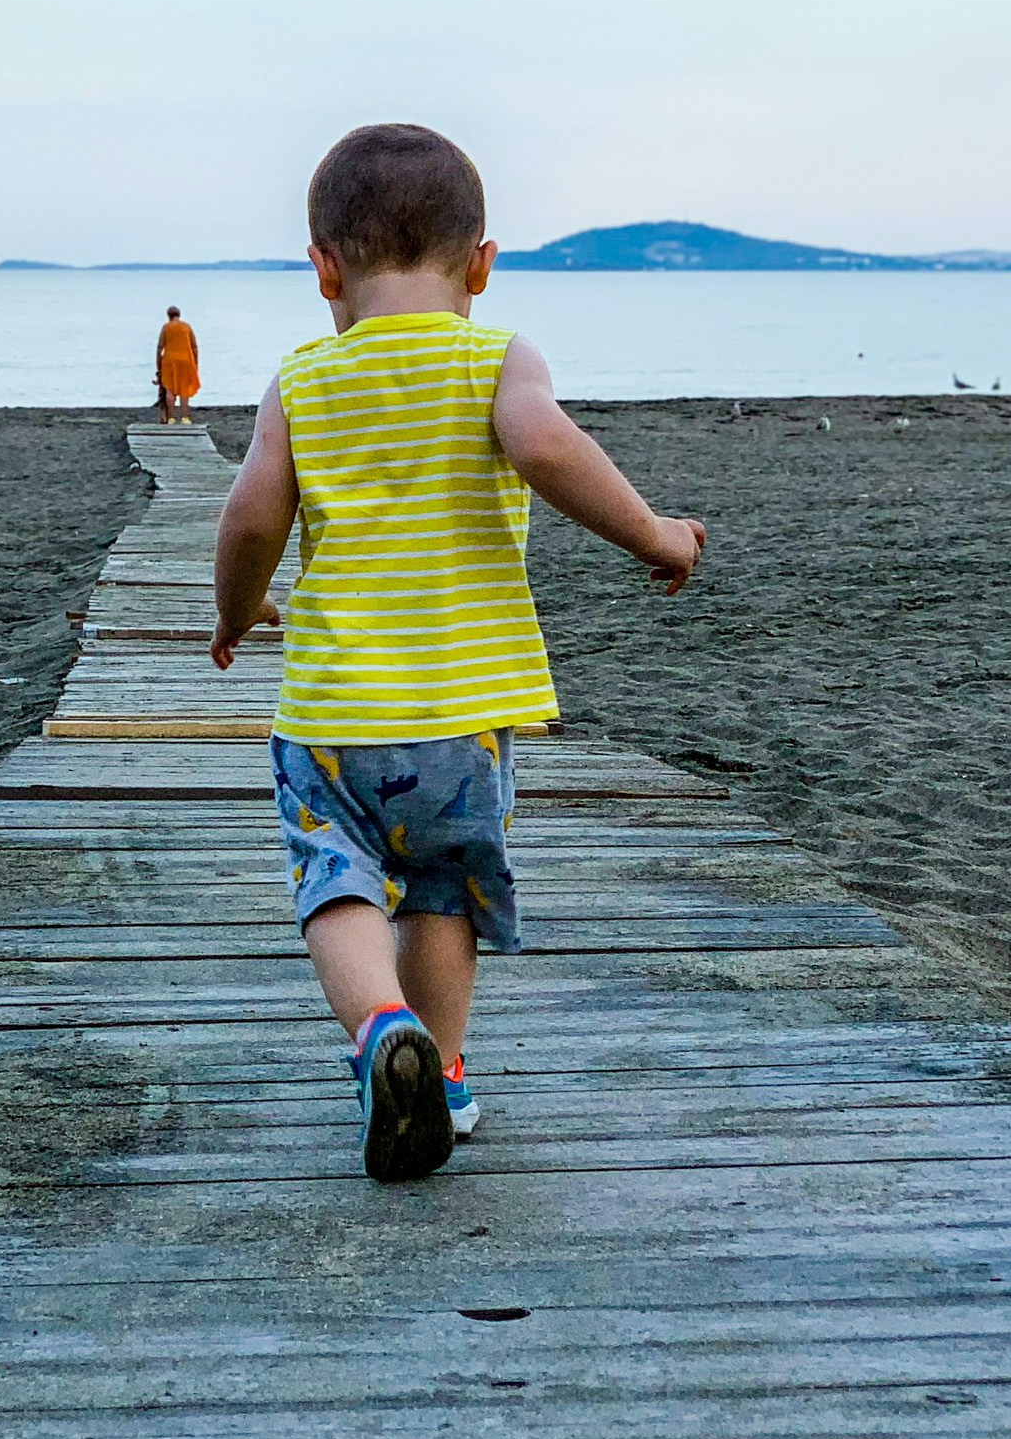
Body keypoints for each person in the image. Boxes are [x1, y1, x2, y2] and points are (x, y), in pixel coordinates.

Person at [209, 121, 703, 1183]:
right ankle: (443, 1071)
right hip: (462, 721)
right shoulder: (498, 355)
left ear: (323, 268)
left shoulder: (301, 380)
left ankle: (382, 1030)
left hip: (330, 718)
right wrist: (656, 535)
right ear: (481, 262)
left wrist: (236, 613)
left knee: (334, 885)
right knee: (440, 889)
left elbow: (251, 515)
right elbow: (544, 444)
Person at [155, 305, 200, 425]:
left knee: (169, 390)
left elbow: (160, 347)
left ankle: (171, 418)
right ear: (178, 315)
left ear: (168, 316)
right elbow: (194, 346)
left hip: (169, 361)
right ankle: (185, 418)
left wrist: (158, 364)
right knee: (184, 388)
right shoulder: (186, 327)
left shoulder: (166, 327)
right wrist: (195, 362)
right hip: (185, 361)